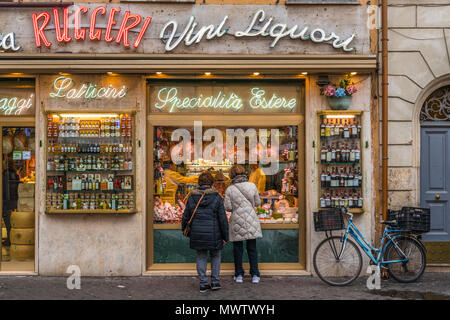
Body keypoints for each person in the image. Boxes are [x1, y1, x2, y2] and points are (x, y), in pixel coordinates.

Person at [182, 171, 229, 293]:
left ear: (199, 183)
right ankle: (215, 282)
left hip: (198, 233)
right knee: (216, 256)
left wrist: (185, 230)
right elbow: (223, 219)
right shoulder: (217, 197)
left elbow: (185, 216)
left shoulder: (191, 197)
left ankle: (203, 283)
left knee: (201, 256)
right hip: (215, 233)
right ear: (212, 183)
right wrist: (225, 236)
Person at [224, 164, 262, 284]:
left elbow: (228, 207)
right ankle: (255, 275)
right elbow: (257, 202)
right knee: (252, 248)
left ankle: (239, 274)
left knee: (238, 249)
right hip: (251, 219)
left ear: (232, 175)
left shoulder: (230, 189)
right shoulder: (252, 185)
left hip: (237, 220)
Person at [2, 158, 20, 247]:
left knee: (8, 222)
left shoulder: (4, 174)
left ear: (6, 164)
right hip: (14, 200)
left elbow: (3, 188)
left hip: (6, 200)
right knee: (11, 222)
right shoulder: (15, 174)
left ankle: (9, 239)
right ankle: (11, 238)